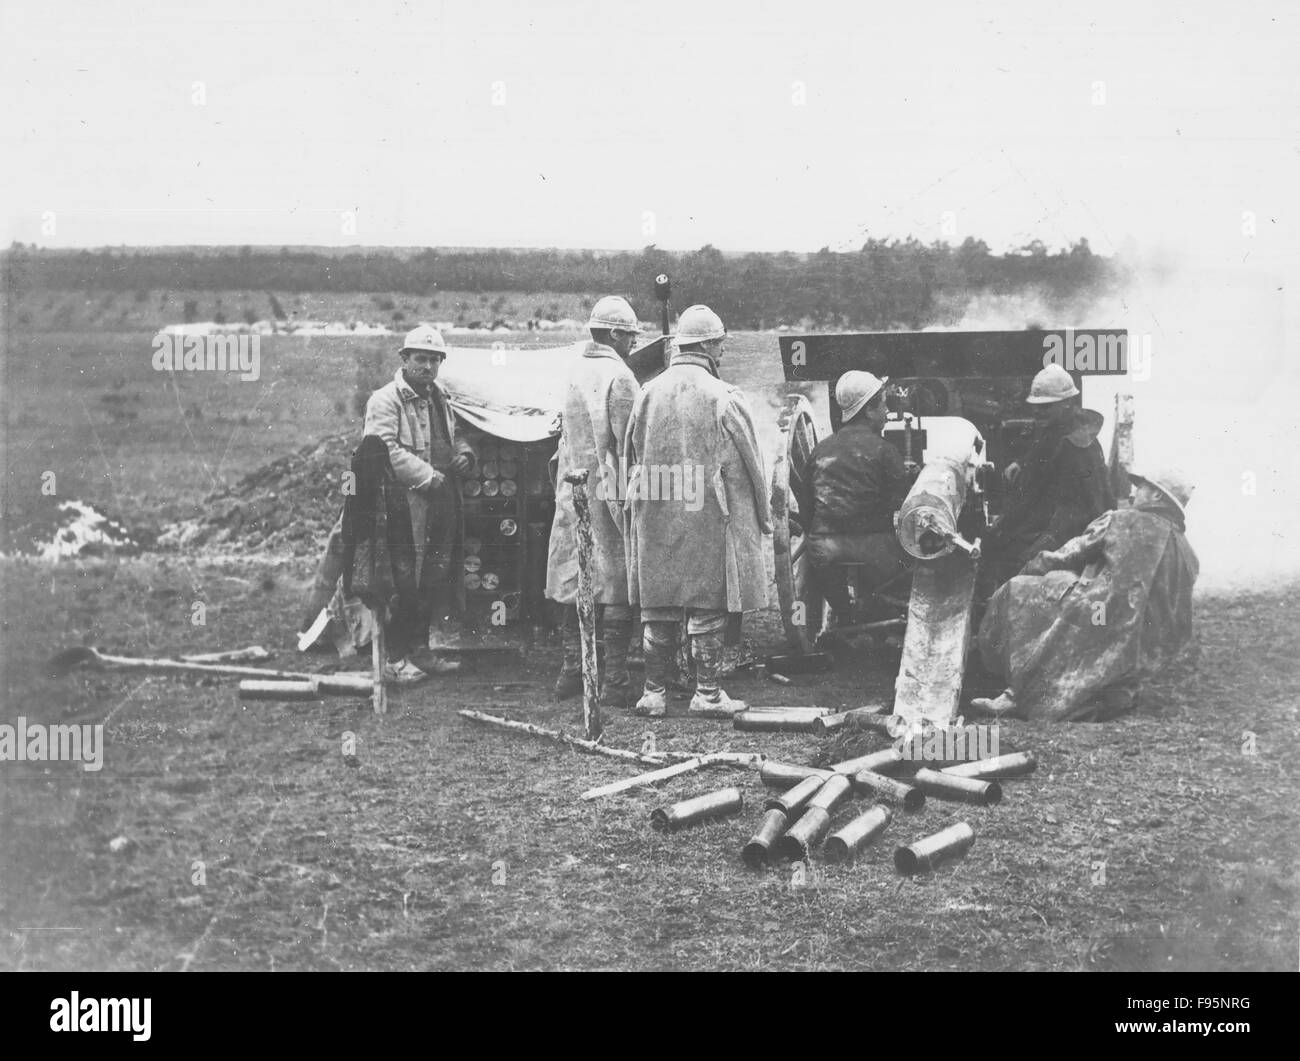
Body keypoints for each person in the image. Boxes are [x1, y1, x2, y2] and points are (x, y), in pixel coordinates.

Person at [624, 304, 772, 718]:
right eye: (720, 344)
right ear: (707, 345)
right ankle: (706, 694)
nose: (722, 352)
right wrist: (762, 515)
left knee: (659, 602)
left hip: (655, 507)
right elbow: (751, 465)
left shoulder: (647, 392)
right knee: (708, 604)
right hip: (708, 512)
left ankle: (653, 693)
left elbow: (630, 458)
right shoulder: (723, 396)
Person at [971, 467, 1198, 721]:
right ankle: (1115, 691)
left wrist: (1030, 570)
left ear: (1157, 496)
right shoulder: (1188, 553)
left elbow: (1066, 555)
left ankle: (1016, 693)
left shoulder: (1120, 520)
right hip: (1149, 645)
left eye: (1142, 487)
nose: (1135, 492)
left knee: (1019, 590)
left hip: (1100, 618)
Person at [363, 326, 476, 683]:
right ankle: (395, 659)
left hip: (440, 503)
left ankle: (421, 650)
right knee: (402, 581)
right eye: (420, 359)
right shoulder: (385, 400)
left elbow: (454, 435)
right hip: (404, 507)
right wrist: (427, 475)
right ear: (405, 359)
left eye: (433, 359)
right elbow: (382, 450)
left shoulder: (439, 396)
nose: (427, 366)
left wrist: (464, 455)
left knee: (433, 578)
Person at [546, 295, 642, 707]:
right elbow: (631, 443)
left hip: (571, 490)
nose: (633, 346)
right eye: (631, 338)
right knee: (617, 583)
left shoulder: (573, 371)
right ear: (615, 334)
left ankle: (572, 668)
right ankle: (615, 677)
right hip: (608, 495)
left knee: (575, 578)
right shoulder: (620, 378)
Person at [976, 363, 1114, 600]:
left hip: (1070, 527)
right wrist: (1021, 463)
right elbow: (1044, 451)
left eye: (1046, 407)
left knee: (1019, 561)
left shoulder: (1080, 447)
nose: (1039, 414)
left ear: (1067, 402)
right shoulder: (1058, 427)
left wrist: (1041, 547)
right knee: (990, 543)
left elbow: (1078, 511)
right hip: (1045, 514)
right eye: (1037, 408)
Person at [804, 371, 914, 629]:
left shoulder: (821, 450)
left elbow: (808, 505)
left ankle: (844, 614)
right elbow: (901, 502)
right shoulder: (885, 450)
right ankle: (874, 613)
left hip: (825, 549)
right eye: (884, 405)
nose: (887, 412)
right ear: (869, 411)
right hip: (876, 550)